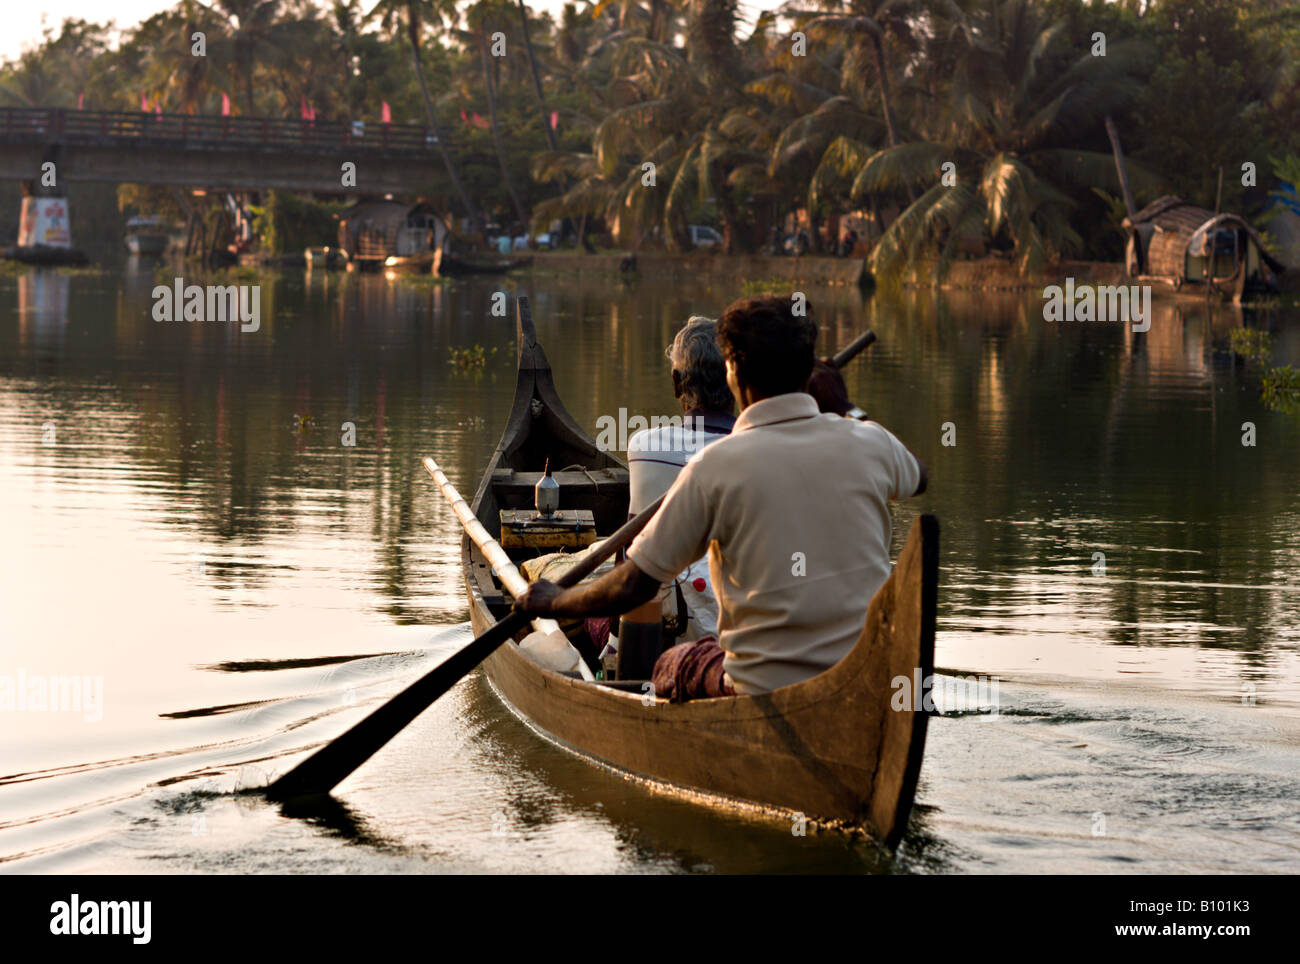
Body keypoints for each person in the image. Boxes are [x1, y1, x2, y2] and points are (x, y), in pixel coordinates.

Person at [516, 295, 928, 702]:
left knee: (669, 666)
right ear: (810, 372)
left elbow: (636, 584)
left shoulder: (715, 467)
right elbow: (919, 475)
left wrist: (556, 600)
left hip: (758, 688)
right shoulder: (870, 442)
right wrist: (843, 406)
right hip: (869, 679)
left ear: (734, 375)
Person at [617, 317, 736, 675]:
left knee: (598, 610)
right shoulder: (766, 452)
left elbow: (628, 563)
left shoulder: (644, 446)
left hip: (661, 634)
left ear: (676, 383)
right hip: (741, 635)